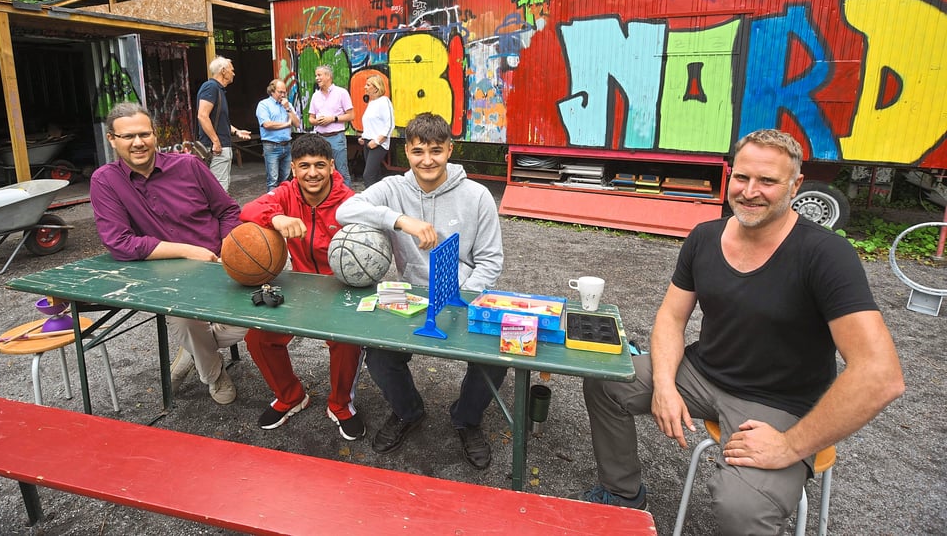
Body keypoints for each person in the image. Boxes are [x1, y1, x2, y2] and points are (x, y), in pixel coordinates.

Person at [578, 129, 904, 533]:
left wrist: (790, 445)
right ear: (729, 176)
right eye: (742, 178)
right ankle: (623, 494)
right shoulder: (706, 237)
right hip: (701, 374)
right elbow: (671, 318)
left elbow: (880, 375)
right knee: (606, 381)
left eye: (767, 181)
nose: (751, 192)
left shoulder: (826, 255)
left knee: (741, 510)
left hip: (778, 403)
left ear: (795, 185)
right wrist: (664, 384)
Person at [336, 112, 506, 469]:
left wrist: (460, 297)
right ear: (406, 153)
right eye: (417, 152)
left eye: (435, 150)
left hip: (462, 296)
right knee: (379, 352)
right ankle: (408, 411)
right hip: (411, 293)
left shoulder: (477, 197)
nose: (427, 160)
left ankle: (466, 418)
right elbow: (345, 210)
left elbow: (490, 261)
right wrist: (401, 220)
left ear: (450, 150)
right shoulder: (393, 189)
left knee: (495, 359)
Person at [89, 102, 247, 405]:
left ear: (155, 134)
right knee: (186, 323)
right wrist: (188, 252)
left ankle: (193, 351)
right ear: (112, 139)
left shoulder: (188, 165)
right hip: (170, 276)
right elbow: (120, 242)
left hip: (219, 265)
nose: (138, 142)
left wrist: (229, 246)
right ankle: (213, 373)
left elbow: (227, 210)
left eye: (144, 133)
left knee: (258, 313)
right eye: (127, 136)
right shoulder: (105, 181)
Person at [238, 134, 365, 440]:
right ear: (293, 168)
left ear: (332, 166)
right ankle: (291, 396)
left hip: (341, 288)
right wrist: (277, 218)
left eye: (320, 165)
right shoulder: (286, 194)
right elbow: (248, 211)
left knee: (347, 342)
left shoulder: (349, 203)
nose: (312, 172)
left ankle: (340, 404)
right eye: (304, 165)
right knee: (258, 338)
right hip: (300, 286)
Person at [197, 55, 253, 191]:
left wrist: (236, 131)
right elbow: (202, 115)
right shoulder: (210, 87)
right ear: (223, 71)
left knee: (221, 186)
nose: (233, 73)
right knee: (219, 190)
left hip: (220, 145)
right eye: (231, 70)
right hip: (216, 148)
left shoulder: (218, 90)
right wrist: (216, 141)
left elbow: (220, 120)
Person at [308, 64, 354, 185]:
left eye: (319, 75)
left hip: (336, 137)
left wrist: (332, 119)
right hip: (320, 138)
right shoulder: (315, 96)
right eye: (316, 75)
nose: (316, 78)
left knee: (342, 171)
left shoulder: (341, 93)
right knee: (322, 171)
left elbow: (351, 116)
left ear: (328, 76)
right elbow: (310, 119)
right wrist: (316, 121)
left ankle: (347, 202)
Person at [256, 78, 301, 192]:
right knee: (273, 180)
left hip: (287, 145)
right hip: (271, 146)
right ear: (272, 91)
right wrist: (286, 125)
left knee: (286, 180)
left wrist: (287, 109)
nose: (283, 95)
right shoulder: (263, 105)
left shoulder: (288, 104)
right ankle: (273, 207)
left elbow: (297, 123)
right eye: (280, 92)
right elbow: (266, 124)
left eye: (284, 92)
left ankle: (285, 204)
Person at [357, 74, 394, 188]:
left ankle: (371, 200)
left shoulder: (384, 101)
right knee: (376, 175)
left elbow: (390, 124)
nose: (365, 87)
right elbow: (372, 124)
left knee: (368, 175)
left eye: (368, 85)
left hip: (378, 144)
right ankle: (381, 199)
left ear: (376, 88)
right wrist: (364, 137)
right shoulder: (372, 103)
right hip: (368, 142)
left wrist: (377, 141)